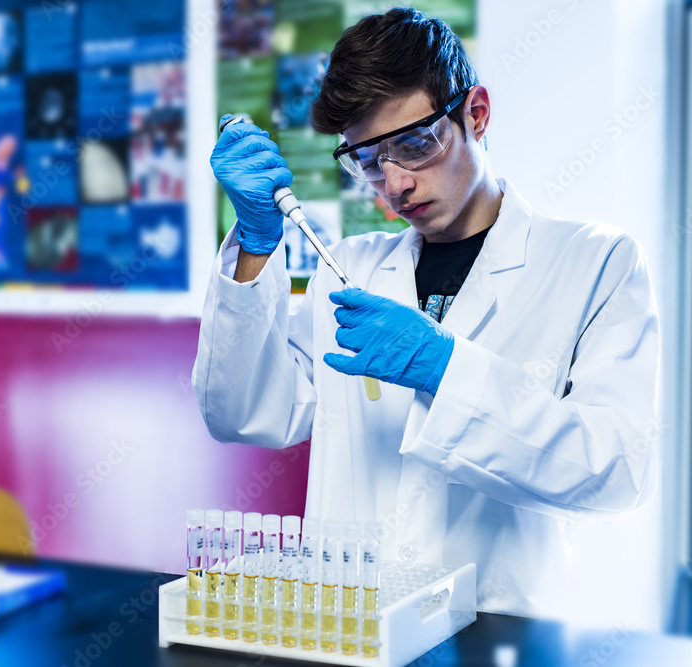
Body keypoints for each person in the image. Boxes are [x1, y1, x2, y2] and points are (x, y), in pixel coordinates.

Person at [193, 7, 660, 618]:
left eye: (414, 144)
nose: (394, 185)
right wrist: (257, 242)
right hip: (347, 623)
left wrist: (446, 368)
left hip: (494, 627)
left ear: (477, 114)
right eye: (367, 159)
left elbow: (617, 470)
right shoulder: (352, 267)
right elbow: (245, 412)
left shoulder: (596, 262)